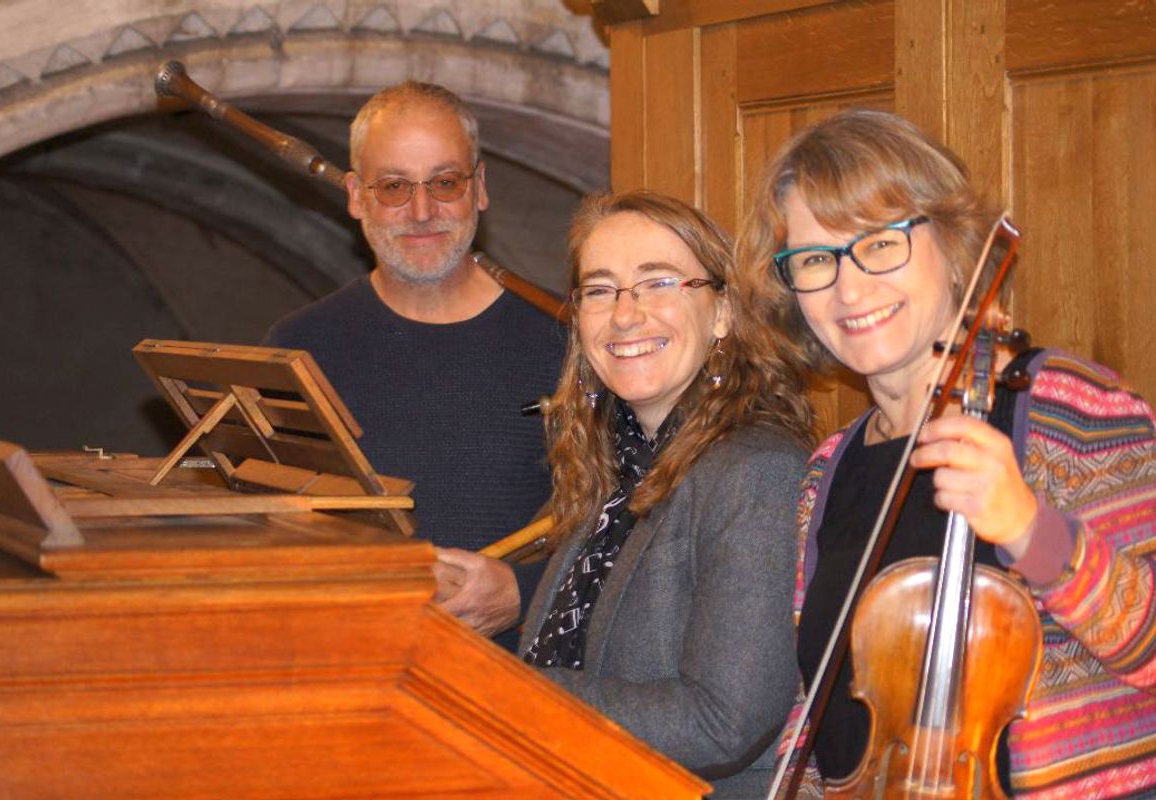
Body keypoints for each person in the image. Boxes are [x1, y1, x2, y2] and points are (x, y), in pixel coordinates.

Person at [739, 108, 1156, 797]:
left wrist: (1033, 531)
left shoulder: (1071, 410)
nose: (849, 287)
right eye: (816, 259)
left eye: (879, 244)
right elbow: (824, 715)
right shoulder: (830, 467)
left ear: (953, 242)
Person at [518, 190, 813, 797]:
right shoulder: (612, 460)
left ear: (724, 312)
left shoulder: (758, 470)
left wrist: (513, 691)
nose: (625, 315)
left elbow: (722, 723)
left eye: (658, 284)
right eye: (600, 290)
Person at [265, 82, 564, 648]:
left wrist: (527, 591)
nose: (421, 211)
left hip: (521, 690)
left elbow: (631, 529)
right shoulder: (298, 347)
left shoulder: (566, 339)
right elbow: (275, 538)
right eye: (394, 186)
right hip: (350, 674)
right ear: (356, 195)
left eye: (445, 183)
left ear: (479, 188)